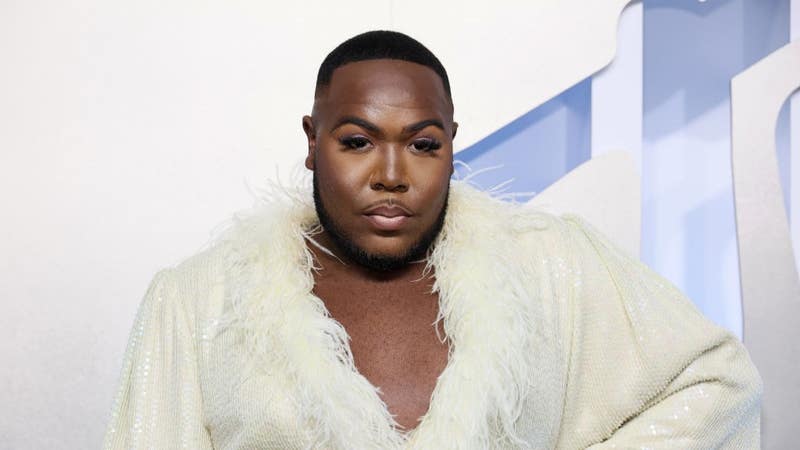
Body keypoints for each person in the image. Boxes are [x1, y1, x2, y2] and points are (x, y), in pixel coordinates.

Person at [103, 30, 762, 449]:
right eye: (357, 142)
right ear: (312, 140)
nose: (391, 175)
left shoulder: (550, 266)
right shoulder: (200, 303)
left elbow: (718, 380)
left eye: (422, 144)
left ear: (451, 145)